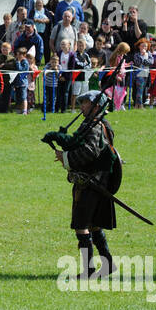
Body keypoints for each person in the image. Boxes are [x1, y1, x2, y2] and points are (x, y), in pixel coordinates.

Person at [44, 90, 118, 277]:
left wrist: (66, 157)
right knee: (93, 225)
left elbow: (90, 152)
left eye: (86, 103)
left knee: (82, 225)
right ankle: (107, 264)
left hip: (91, 182)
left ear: (97, 106)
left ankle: (89, 270)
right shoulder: (97, 124)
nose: (82, 106)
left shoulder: (94, 126)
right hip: (96, 181)